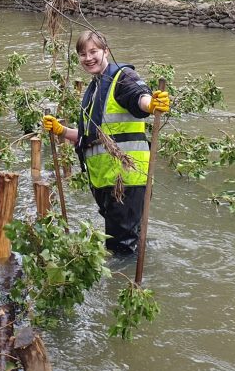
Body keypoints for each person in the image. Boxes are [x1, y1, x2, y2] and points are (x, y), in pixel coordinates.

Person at [41, 30, 169, 254]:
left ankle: (122, 284)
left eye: (93, 51)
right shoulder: (96, 87)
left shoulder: (122, 77)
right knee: (123, 237)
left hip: (125, 178)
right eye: (82, 54)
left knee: (120, 246)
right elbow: (88, 138)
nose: (88, 58)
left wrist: (151, 104)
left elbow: (138, 97)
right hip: (104, 181)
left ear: (106, 51)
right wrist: (62, 131)